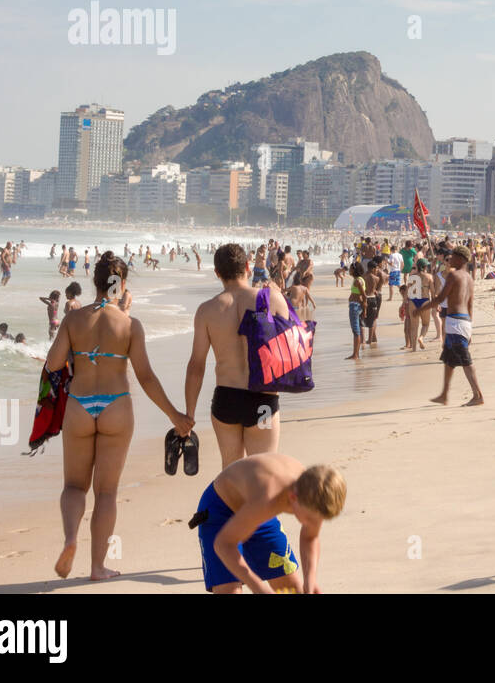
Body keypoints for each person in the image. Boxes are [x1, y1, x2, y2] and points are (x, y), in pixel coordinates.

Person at [46, 252, 193, 579]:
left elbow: (53, 364)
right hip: (116, 406)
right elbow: (146, 377)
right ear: (121, 285)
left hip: (80, 405)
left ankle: (70, 539)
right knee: (107, 492)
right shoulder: (130, 325)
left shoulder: (73, 319)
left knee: (73, 486)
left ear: (95, 282)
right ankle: (98, 567)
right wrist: (175, 415)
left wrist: (77, 352)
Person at [184, 244, 294, 469]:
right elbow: (291, 346)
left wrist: (189, 414)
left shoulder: (207, 310)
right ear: (247, 266)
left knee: (231, 473)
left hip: (226, 400)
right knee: (263, 472)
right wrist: (278, 295)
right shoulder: (272, 299)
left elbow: (196, 366)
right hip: (262, 399)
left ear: (217, 273)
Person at [191, 454, 345, 594]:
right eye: (310, 519)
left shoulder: (314, 494)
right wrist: (258, 586)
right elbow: (223, 545)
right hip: (220, 511)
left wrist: (310, 582)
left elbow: (310, 537)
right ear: (293, 497)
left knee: (292, 589)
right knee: (230, 591)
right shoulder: (268, 497)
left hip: (258, 513)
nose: (313, 524)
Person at [410, 245, 483, 406]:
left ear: (462, 259)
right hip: (462, 321)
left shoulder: (453, 275)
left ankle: (478, 395)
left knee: (465, 360)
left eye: (454, 257)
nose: (450, 260)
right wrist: (470, 328)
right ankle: (444, 394)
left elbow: (439, 298)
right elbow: (470, 305)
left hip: (456, 322)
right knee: (449, 360)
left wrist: (420, 310)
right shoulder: (469, 278)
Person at [345, 261, 367, 362]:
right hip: (356, 306)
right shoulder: (360, 279)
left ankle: (355, 354)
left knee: (356, 331)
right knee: (356, 330)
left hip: (355, 306)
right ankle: (355, 353)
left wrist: (365, 309)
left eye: (350, 269)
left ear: (354, 270)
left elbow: (364, 295)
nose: (349, 270)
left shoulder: (357, 281)